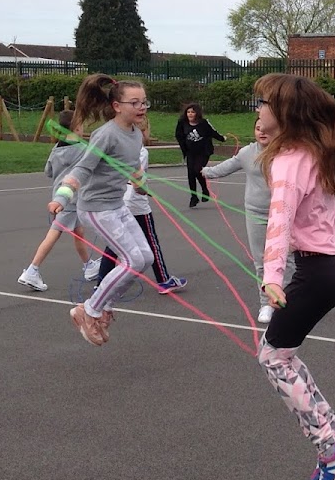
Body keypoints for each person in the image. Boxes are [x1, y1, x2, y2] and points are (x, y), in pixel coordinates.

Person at [253, 73, 335, 480]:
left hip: (318, 272)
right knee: (282, 353)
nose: (257, 110)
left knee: (272, 358)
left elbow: (279, 223)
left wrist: (271, 279)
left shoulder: (288, 162)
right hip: (334, 267)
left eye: (262, 104)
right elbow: (322, 209)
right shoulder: (309, 152)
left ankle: (331, 446)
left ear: (285, 114)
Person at [50, 74, 153, 346]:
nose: (142, 107)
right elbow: (82, 168)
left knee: (145, 258)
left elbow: (134, 170)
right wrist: (62, 196)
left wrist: (141, 185)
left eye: (144, 102)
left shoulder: (135, 136)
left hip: (116, 205)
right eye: (135, 102)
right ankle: (89, 310)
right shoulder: (105, 134)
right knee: (132, 260)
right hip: (96, 208)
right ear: (117, 106)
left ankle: (104, 307)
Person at [201, 118, 295, 323]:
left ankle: (287, 298)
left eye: (266, 128)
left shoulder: (286, 152)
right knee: (261, 261)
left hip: (284, 213)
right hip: (256, 213)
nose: (261, 131)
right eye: (257, 128)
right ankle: (266, 304)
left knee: (288, 260)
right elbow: (225, 167)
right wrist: (205, 171)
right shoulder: (247, 153)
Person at [93, 117, 188, 295]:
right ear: (143, 132)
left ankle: (101, 282)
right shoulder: (140, 151)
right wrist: (144, 189)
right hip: (136, 203)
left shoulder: (123, 148)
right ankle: (163, 280)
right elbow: (136, 177)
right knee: (151, 242)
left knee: (115, 243)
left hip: (121, 200)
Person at [18, 110, 100, 291]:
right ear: (76, 127)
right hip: (69, 199)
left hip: (62, 196)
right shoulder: (83, 149)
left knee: (78, 232)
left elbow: (48, 171)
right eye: (81, 126)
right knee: (54, 233)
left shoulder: (57, 149)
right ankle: (32, 269)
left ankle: (88, 265)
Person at [175, 103, 225, 208]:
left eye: (192, 112)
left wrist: (222, 138)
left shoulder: (204, 123)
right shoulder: (182, 123)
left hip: (203, 152)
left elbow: (213, 132)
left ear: (197, 113)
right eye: (188, 112)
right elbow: (178, 135)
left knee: (197, 170)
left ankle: (205, 190)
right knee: (191, 174)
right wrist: (184, 147)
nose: (190, 114)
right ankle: (193, 197)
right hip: (190, 152)